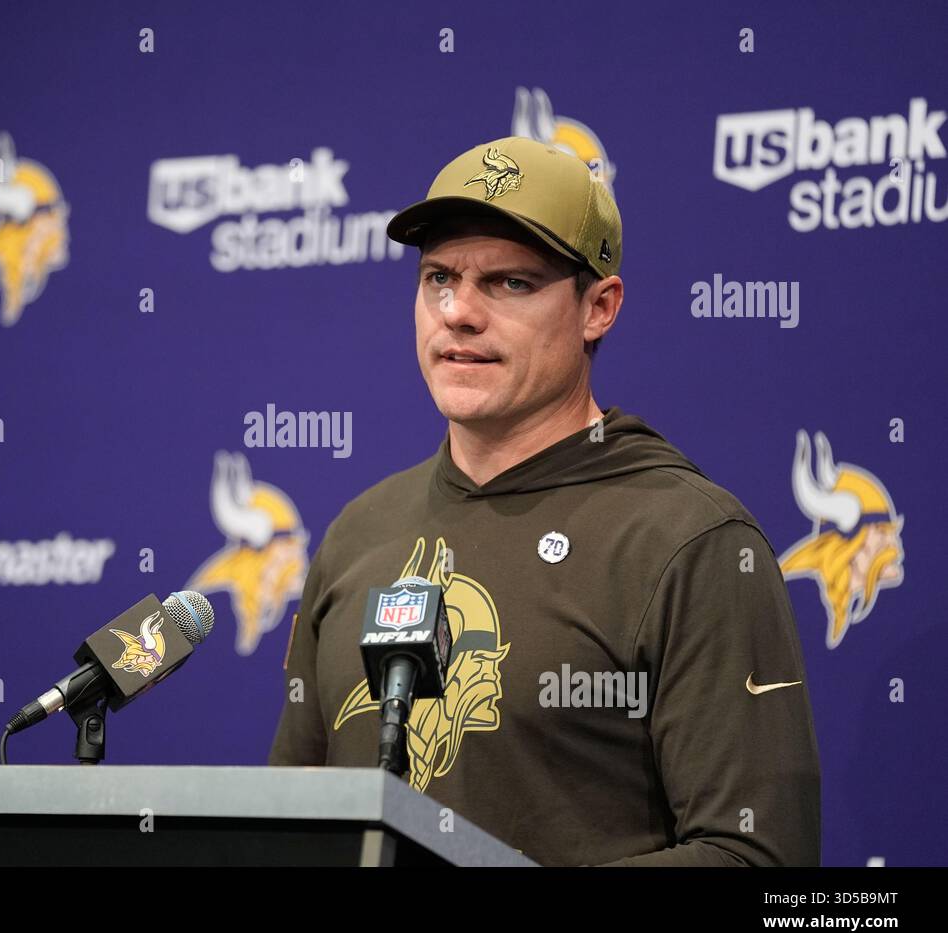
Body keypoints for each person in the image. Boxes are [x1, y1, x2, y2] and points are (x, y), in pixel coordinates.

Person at [267, 135, 821, 866]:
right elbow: (290, 818)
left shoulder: (690, 538)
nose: (458, 312)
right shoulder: (358, 532)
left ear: (600, 306)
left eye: (510, 284)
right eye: (438, 278)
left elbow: (756, 856)